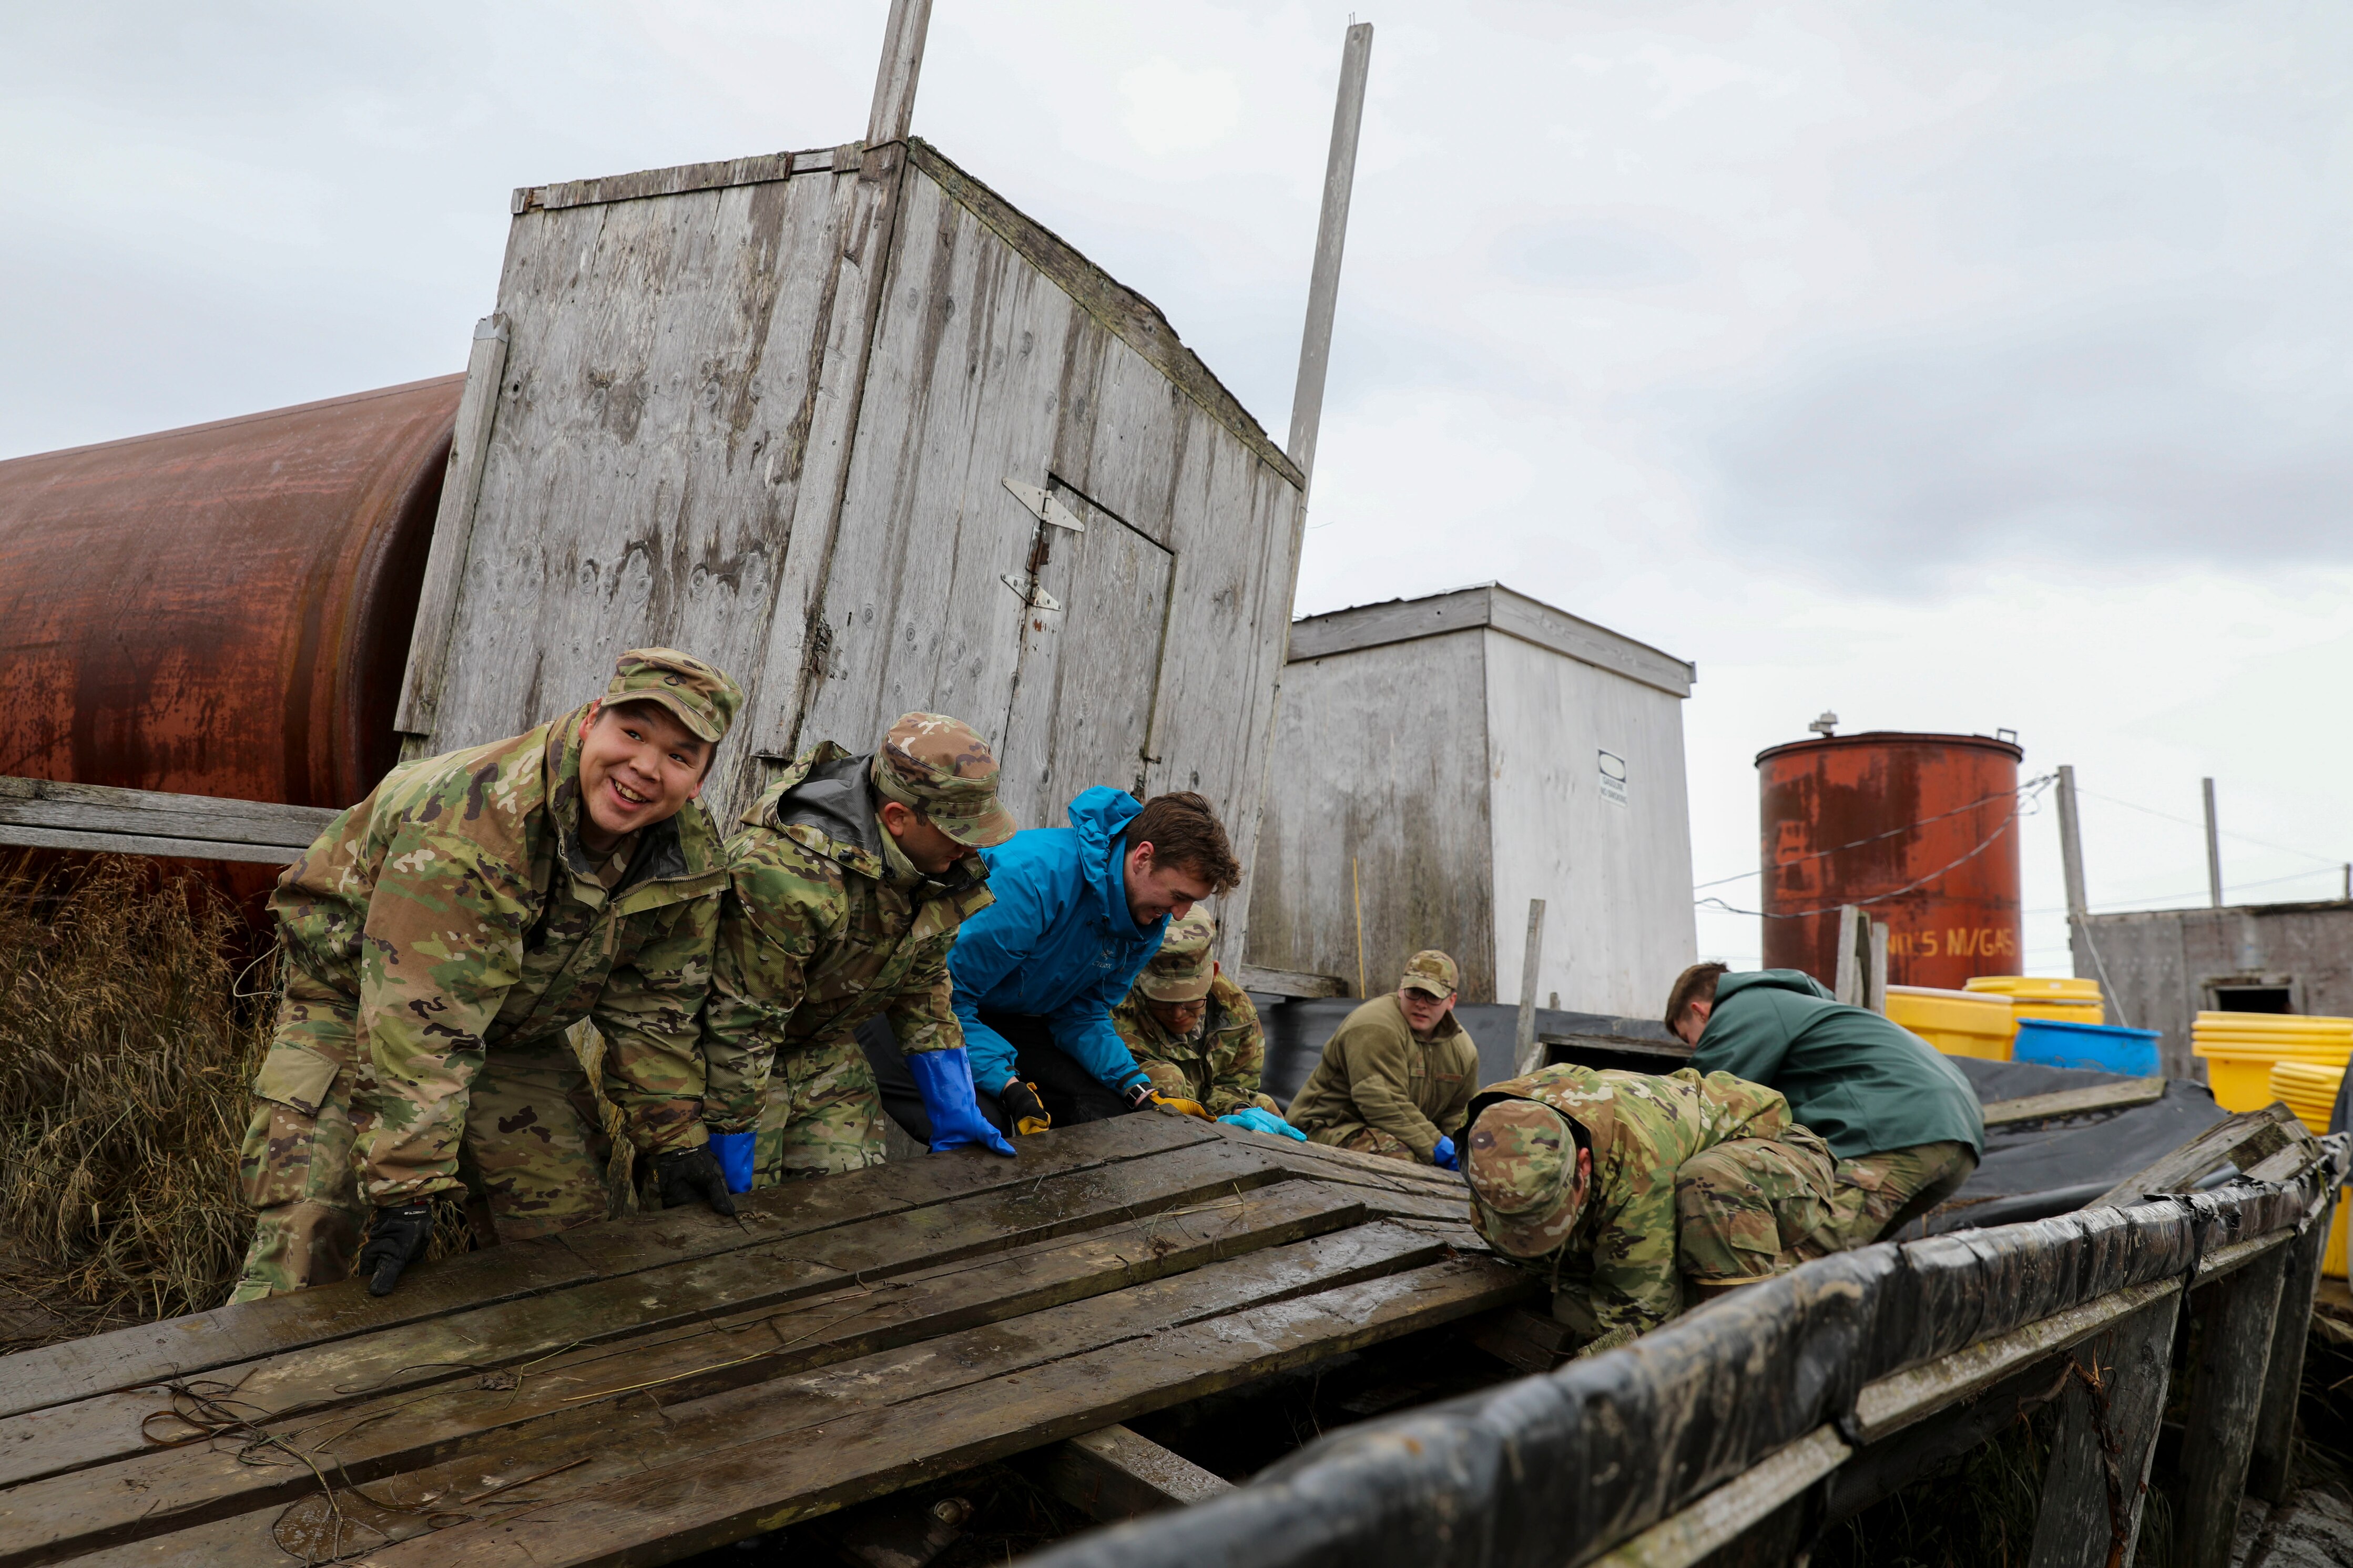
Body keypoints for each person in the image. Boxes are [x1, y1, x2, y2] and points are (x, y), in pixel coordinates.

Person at [231, 649, 745, 1301]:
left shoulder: (684, 859)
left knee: (568, 1246)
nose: (644, 768)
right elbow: (422, 1018)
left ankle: (510, 1396)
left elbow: (654, 1006)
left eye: (679, 755)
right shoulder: (475, 821)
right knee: (309, 1238)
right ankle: (257, 1396)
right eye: (633, 733)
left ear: (698, 780)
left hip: (514, 1028)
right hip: (360, 1005)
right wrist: (410, 1189)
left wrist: (674, 1139)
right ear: (591, 722)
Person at [699, 713, 1018, 1185]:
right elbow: (741, 1024)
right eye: (959, 833)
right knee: (722, 1227)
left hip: (827, 1050)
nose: (971, 851)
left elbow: (923, 984)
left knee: (851, 1211)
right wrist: (727, 1144)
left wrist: (954, 1103)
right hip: (727, 1058)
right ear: (897, 818)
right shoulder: (786, 875)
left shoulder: (936, 869)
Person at [1461, 1063, 1838, 1356]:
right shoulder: (1491, 1136)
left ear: (1583, 1165)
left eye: (1551, 1212)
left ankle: (1745, 1343)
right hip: (1654, 1177)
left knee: (1706, 1182)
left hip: (1776, 1158)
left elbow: (1642, 1319)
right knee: (1576, 1321)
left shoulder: (1639, 1165)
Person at [949, 789, 1241, 1130]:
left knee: (1105, 1111)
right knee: (987, 1116)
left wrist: (1136, 1086)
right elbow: (945, 999)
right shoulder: (1031, 882)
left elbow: (1082, 1012)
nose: (1179, 915)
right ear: (1143, 857)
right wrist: (1007, 1084)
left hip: (1004, 1016)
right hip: (916, 1007)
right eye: (1179, 897)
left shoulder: (1145, 920)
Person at [1664, 963, 1986, 1250]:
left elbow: (1701, 1106)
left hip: (1901, 1132)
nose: (1694, 1048)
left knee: (1804, 1260)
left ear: (1701, 1011)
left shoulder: (1744, 1009)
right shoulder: (1796, 1007)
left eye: (1687, 1036)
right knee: (1859, 1262)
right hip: (1954, 1136)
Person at [1109, 909, 1298, 1139]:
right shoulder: (1117, 1007)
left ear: (1213, 974)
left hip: (1205, 1109)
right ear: (1141, 977)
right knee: (1167, 1079)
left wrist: (1238, 1108)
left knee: (1264, 1108)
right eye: (1163, 1000)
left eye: (1190, 999)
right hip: (1139, 1121)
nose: (1178, 1013)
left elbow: (1233, 1086)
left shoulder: (1237, 1012)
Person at [1284, 950, 1479, 1167]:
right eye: (1415, 992)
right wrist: (1436, 1145)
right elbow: (1380, 1101)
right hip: (1323, 1128)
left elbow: (1458, 1114)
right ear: (1401, 989)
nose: (1422, 1004)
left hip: (1395, 1130)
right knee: (1399, 1159)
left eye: (1433, 996)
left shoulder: (1462, 1049)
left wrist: (1468, 1151)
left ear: (1451, 1001)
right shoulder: (1374, 1026)